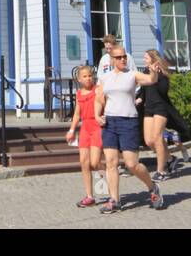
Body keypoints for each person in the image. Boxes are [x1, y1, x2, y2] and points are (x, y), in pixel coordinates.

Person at [95, 44, 165, 212]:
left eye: (124, 56)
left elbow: (151, 80)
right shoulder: (106, 78)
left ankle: (152, 187)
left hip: (128, 122)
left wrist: (153, 70)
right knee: (111, 163)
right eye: (119, 57)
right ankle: (114, 200)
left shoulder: (132, 75)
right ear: (112, 60)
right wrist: (98, 115)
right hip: (110, 123)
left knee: (132, 164)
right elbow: (99, 99)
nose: (123, 59)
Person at [135, 49, 179, 182]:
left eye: (146, 58)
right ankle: (170, 159)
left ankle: (161, 171)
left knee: (157, 138)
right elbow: (143, 89)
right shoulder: (145, 72)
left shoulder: (162, 73)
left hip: (160, 107)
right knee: (149, 141)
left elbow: (163, 90)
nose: (144, 60)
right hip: (148, 108)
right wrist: (139, 99)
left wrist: (155, 74)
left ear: (153, 59)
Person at [65, 65, 103, 207]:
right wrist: (71, 130)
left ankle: (105, 178)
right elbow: (76, 113)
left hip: (97, 126)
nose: (88, 78)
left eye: (90, 76)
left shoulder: (98, 89)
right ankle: (89, 196)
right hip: (85, 128)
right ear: (79, 79)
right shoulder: (79, 93)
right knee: (84, 162)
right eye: (85, 76)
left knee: (95, 162)